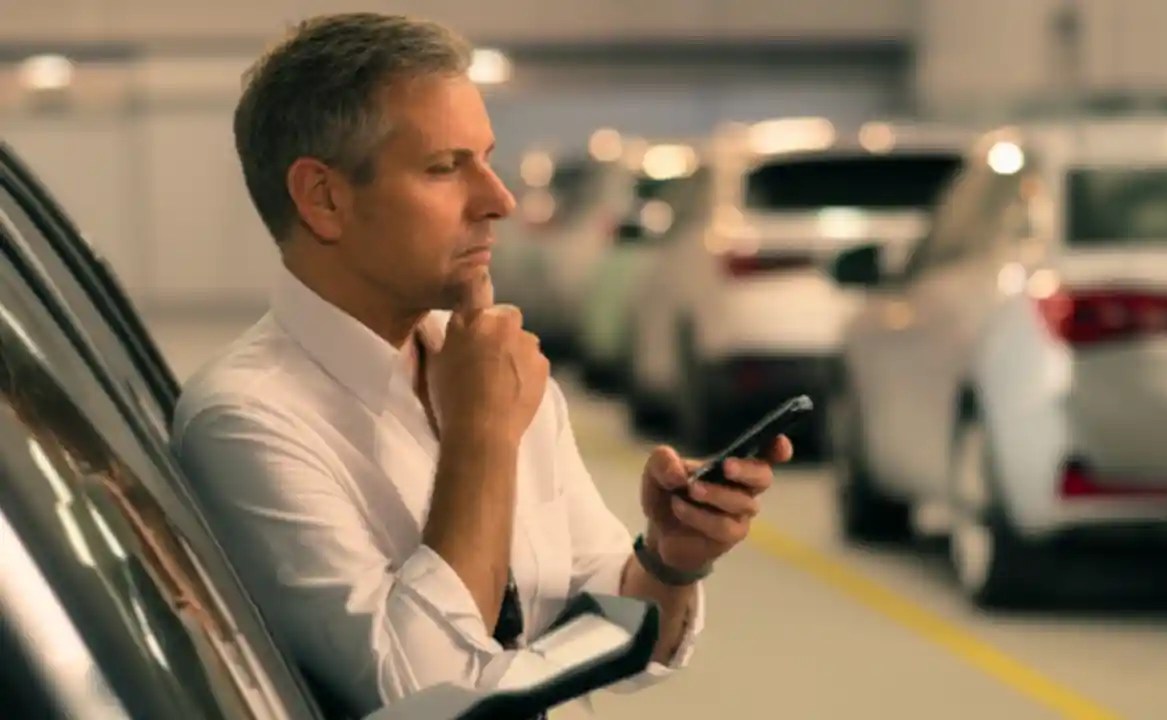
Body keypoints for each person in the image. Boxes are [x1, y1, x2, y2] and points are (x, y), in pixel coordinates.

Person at [170, 12, 792, 717]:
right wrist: (480, 436)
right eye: (444, 168)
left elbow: (593, 638)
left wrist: (668, 562)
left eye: (487, 158)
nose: (497, 201)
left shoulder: (490, 361)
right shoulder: (245, 422)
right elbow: (429, 698)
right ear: (324, 198)